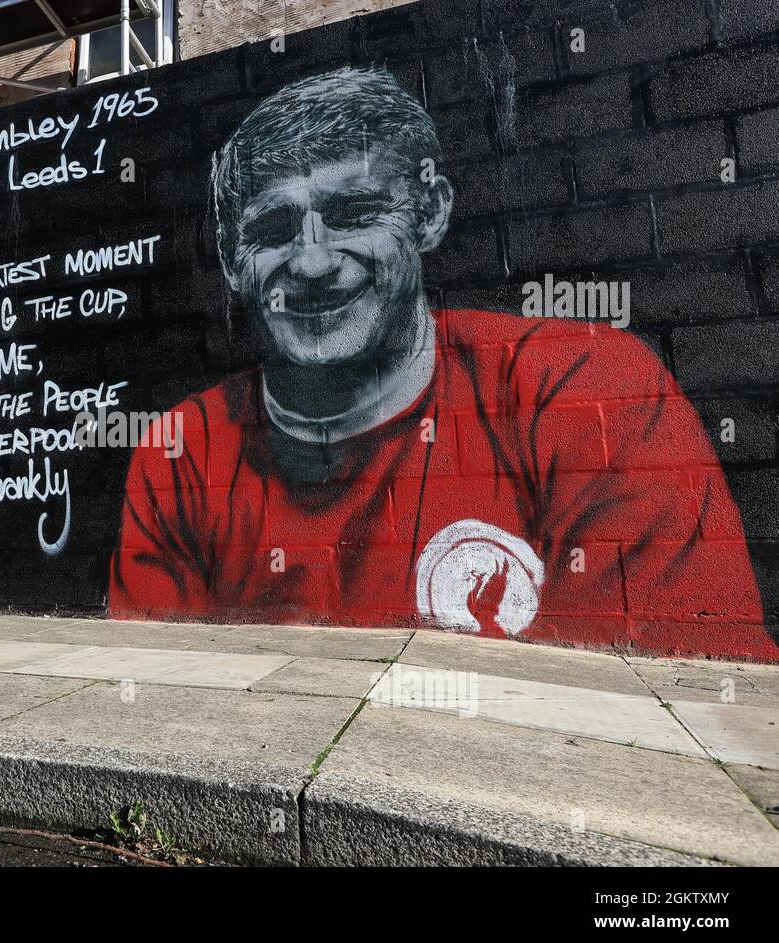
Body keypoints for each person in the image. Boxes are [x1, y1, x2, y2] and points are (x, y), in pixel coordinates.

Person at [109, 66, 776, 660]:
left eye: (354, 213)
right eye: (272, 230)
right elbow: (159, 705)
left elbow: (661, 727)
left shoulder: (587, 391)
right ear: (232, 263)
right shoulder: (183, 451)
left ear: (430, 214)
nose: (311, 261)